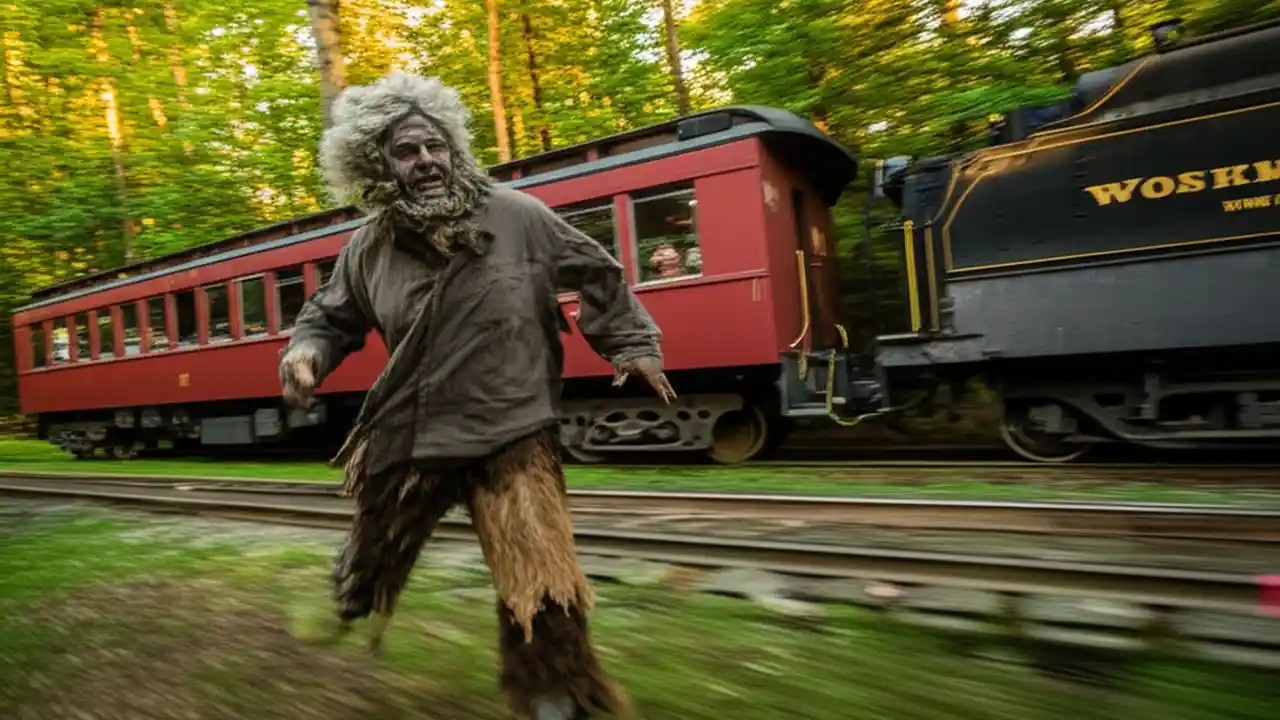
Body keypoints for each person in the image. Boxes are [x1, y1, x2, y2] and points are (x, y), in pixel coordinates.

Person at [277, 72, 675, 720]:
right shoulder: (368, 249)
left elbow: (596, 269)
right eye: (407, 152)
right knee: (371, 559)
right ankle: (358, 582)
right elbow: (328, 318)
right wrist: (305, 356)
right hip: (414, 429)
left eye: (436, 146)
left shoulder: (518, 217)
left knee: (540, 578)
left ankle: (557, 696)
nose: (427, 161)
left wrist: (631, 344)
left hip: (511, 426)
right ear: (378, 166)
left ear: (454, 147)